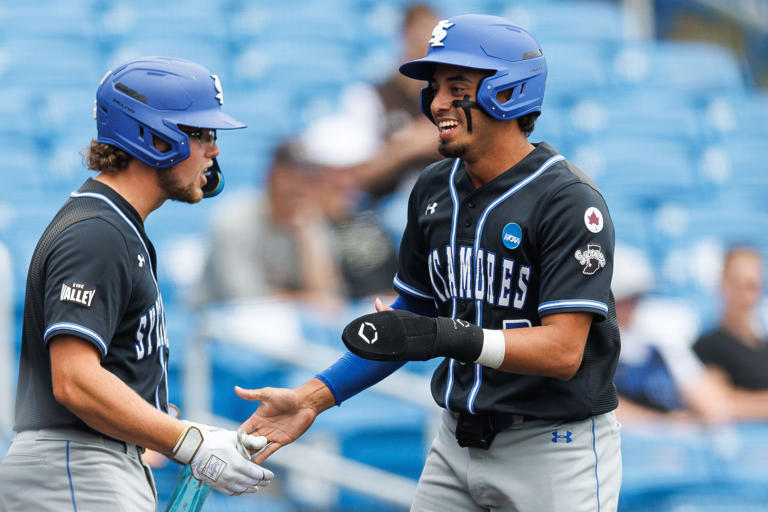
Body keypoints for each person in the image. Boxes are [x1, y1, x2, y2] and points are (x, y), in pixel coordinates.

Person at [236, 14, 622, 511]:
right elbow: (412, 321)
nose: (437, 103)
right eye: (435, 88)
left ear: (509, 93)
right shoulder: (434, 187)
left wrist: (446, 335)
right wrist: (313, 397)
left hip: (554, 447)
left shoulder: (567, 199)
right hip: (456, 440)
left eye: (456, 88)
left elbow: (563, 351)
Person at [0, 57, 273, 511]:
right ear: (153, 136)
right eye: (202, 133)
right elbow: (73, 380)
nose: (213, 151)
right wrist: (188, 441)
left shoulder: (115, 225)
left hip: (88, 465)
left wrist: (163, 426)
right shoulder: (98, 232)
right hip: (77, 468)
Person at [195, 140, 398, 309]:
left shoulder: (312, 222)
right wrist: (306, 300)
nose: (300, 186)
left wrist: (307, 237)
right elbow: (243, 299)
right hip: (216, 326)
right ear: (273, 176)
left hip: (280, 328)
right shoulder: (235, 219)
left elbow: (330, 301)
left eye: (309, 178)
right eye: (293, 176)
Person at [611, 244, 732, 424]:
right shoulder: (591, 347)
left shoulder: (659, 341)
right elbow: (601, 408)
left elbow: (712, 404)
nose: (632, 305)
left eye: (637, 297)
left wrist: (699, 413)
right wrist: (663, 422)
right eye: (625, 299)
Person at [693, 245, 768, 418]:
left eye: (751, 285)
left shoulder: (764, 347)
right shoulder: (708, 346)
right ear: (722, 284)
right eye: (737, 283)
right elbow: (717, 404)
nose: (744, 295)